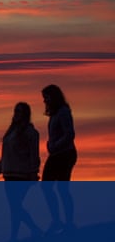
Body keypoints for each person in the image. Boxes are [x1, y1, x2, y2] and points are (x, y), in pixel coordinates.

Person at [0, 102, 42, 241]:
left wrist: (33, 172)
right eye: (15, 111)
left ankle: (27, 231)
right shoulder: (11, 132)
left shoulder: (31, 133)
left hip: (22, 175)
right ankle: (18, 235)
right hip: (9, 174)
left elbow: (34, 154)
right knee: (15, 207)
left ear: (25, 114)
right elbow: (6, 153)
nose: (17, 114)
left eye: (19, 111)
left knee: (15, 206)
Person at [40, 84, 76, 233]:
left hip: (65, 154)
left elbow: (70, 134)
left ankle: (68, 223)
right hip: (56, 154)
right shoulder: (55, 114)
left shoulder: (63, 112)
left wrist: (55, 145)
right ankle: (57, 221)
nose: (44, 101)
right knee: (47, 186)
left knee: (62, 189)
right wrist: (50, 145)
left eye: (46, 97)